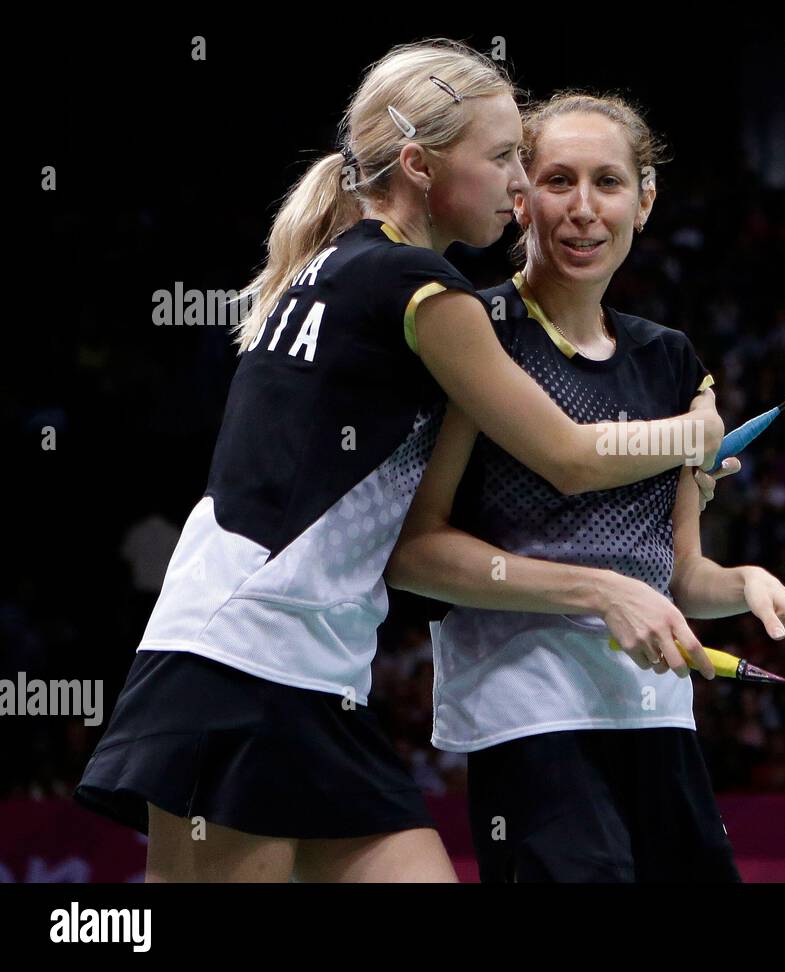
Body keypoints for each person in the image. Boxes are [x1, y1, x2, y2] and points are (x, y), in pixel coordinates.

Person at [74, 42, 721, 884]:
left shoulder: (336, 265)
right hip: (239, 662)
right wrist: (693, 434)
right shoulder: (420, 290)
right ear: (419, 165)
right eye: (501, 161)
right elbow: (566, 454)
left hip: (322, 675)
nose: (519, 189)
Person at [387, 92, 785, 882]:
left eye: (608, 182)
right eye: (558, 181)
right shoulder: (477, 333)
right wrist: (597, 591)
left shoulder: (671, 360)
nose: (583, 210)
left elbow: (675, 574)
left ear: (644, 201)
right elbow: (416, 553)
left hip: (656, 714)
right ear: (520, 197)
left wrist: (745, 584)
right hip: (528, 717)